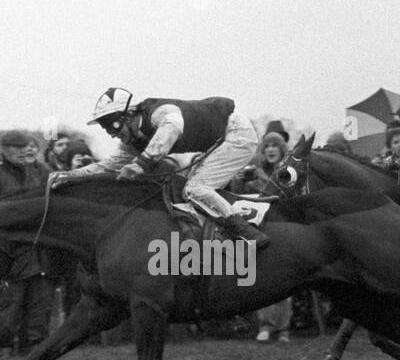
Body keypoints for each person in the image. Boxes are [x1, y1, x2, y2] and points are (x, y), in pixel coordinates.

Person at [49, 88, 270, 248]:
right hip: (219, 141)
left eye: (111, 125)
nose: (111, 133)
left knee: (196, 189)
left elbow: (173, 126)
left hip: (237, 134)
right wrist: (70, 175)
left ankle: (246, 233)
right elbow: (107, 165)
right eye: (106, 128)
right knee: (187, 189)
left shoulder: (158, 111)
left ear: (128, 115)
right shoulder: (132, 143)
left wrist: (142, 162)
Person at [0, 131, 54, 356]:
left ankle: (36, 351)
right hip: (8, 252)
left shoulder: (45, 173)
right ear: (5, 150)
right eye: (20, 147)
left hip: (40, 249)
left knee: (40, 304)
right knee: (8, 305)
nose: (27, 151)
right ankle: (4, 349)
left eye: (31, 146)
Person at [233, 134, 292, 342]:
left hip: (284, 228)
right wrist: (239, 183)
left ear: (282, 149)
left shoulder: (288, 172)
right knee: (264, 278)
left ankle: (283, 330)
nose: (270, 149)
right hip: (261, 228)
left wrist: (261, 180)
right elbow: (240, 199)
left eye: (275, 145)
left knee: (287, 279)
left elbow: (283, 195)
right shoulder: (255, 171)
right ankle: (266, 326)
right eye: (267, 146)